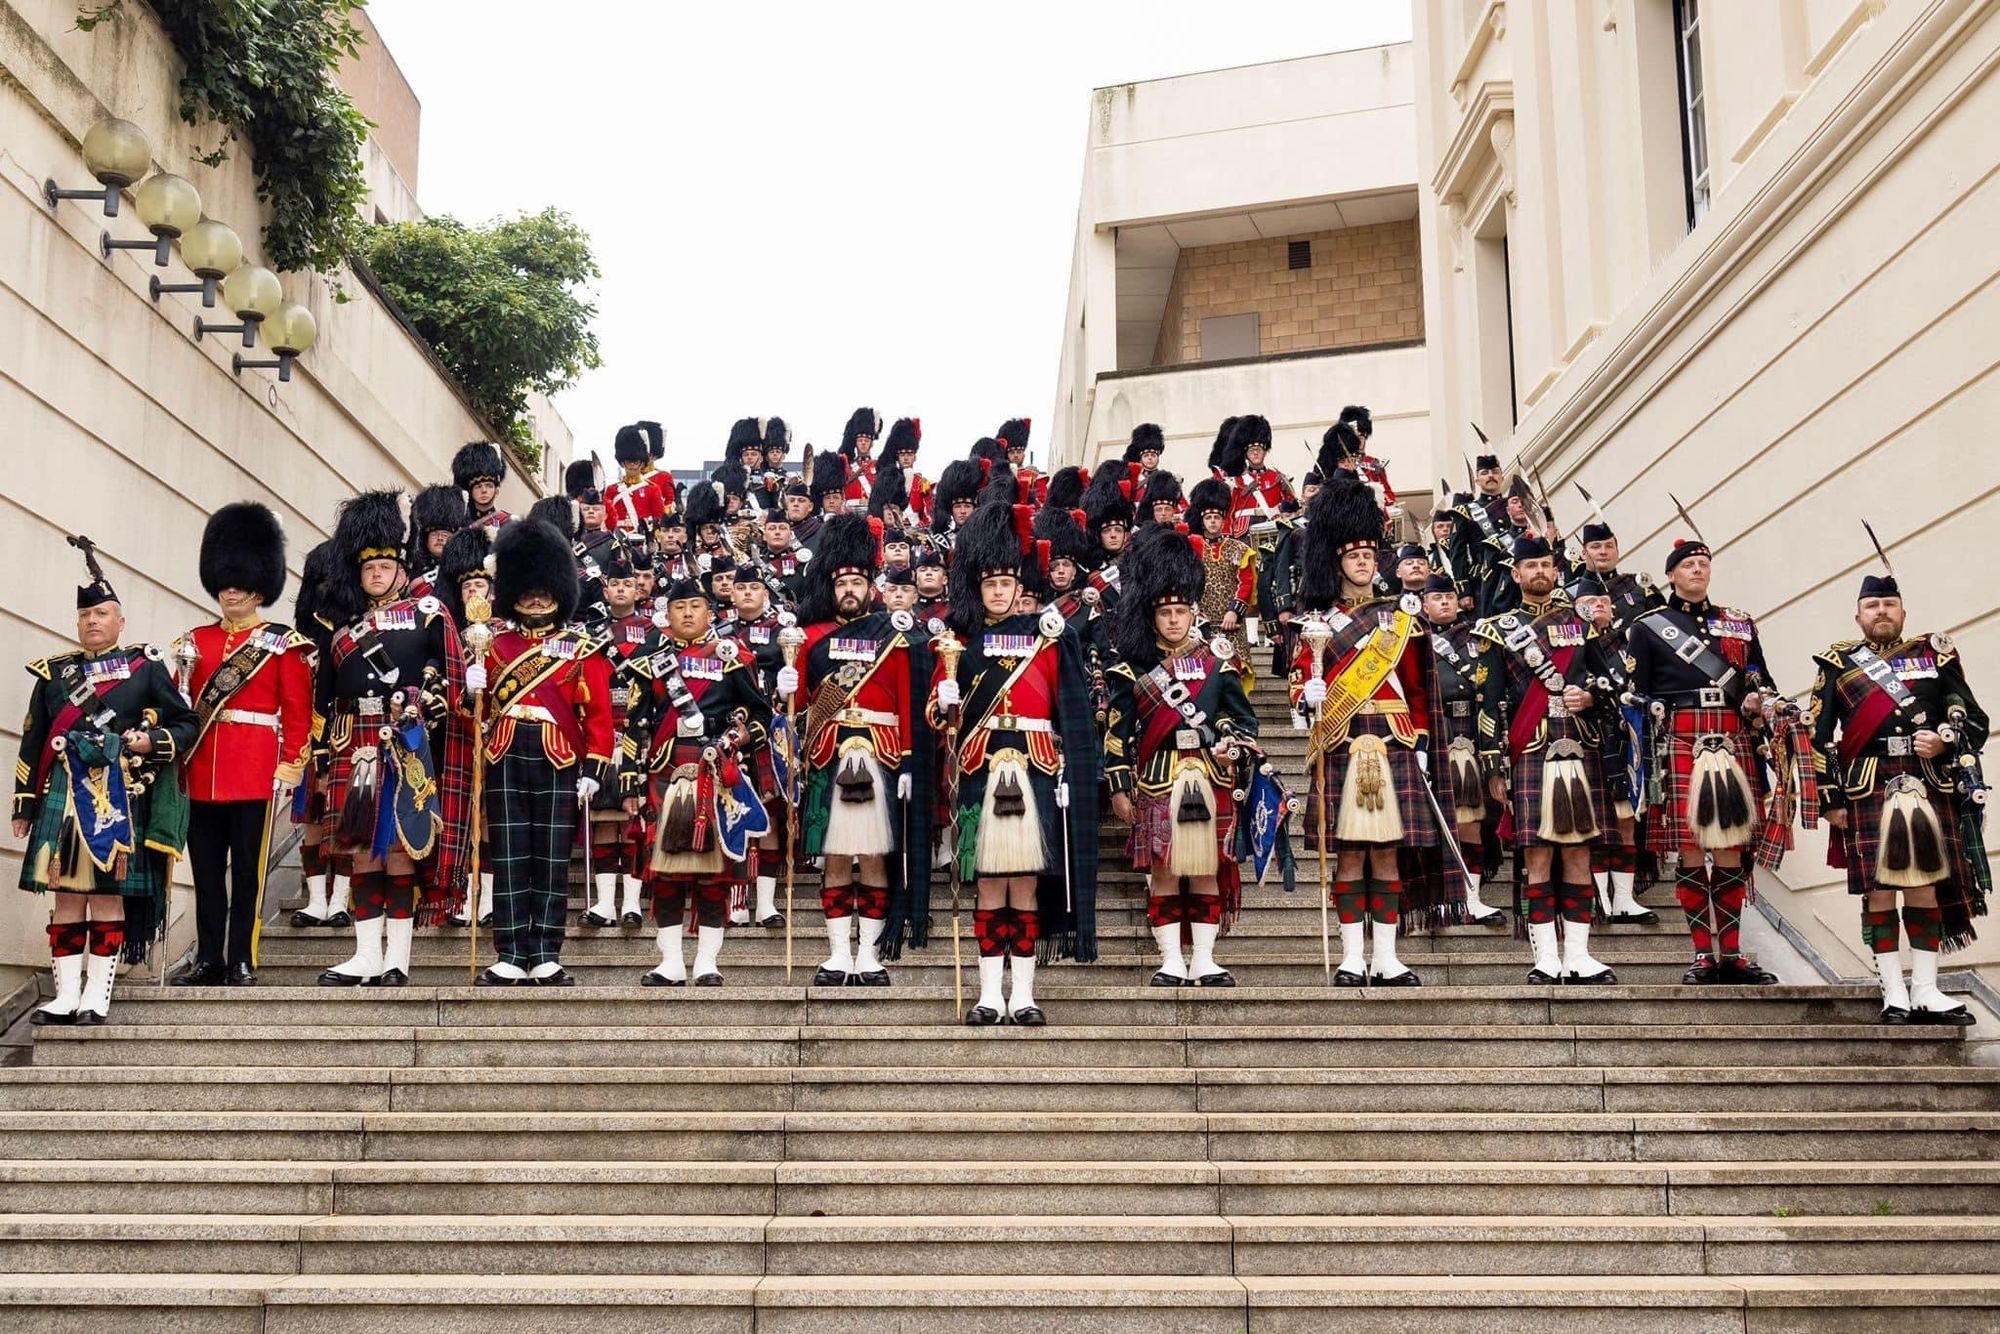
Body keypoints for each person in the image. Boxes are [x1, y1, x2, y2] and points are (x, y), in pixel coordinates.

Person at [1289, 474, 1462, 986]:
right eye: (1354, 556)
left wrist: (1427, 743)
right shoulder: (1316, 623)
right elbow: (1299, 686)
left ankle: (1386, 958)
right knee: (1348, 852)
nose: (1364, 563)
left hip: (1394, 739)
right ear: (1336, 562)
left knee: (1387, 851)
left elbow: (1419, 685)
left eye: (1369, 556)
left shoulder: (1400, 618)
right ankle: (1350, 957)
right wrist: (1307, 699)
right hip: (1341, 739)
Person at [17, 537, 196, 1025]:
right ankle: (65, 995)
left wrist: (147, 741)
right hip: (62, 795)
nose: (93, 621)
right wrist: (24, 805)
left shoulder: (145, 669)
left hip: (116, 798)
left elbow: (186, 724)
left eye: (103, 614)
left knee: (106, 894)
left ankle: (98, 994)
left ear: (121, 621)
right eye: (85, 616)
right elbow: (33, 742)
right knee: (66, 894)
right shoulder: (54, 674)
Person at [932, 504, 1098, 1024]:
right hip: (981, 767)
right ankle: (987, 994)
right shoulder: (960, 645)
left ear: (1018, 584)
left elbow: (1070, 708)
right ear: (977, 590)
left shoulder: (1049, 638)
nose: (999, 592)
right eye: (990, 585)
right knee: (987, 881)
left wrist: (1075, 770)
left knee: (1025, 882)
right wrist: (943, 702)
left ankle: (1022, 994)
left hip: (1037, 766)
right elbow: (941, 722)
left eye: (1007, 582)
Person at [1810, 573, 1984, 1024]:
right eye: (1873, 606)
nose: (1881, 611)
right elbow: (1817, 734)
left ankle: (1926, 988)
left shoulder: (1934, 655)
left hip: (1927, 781)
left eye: (1889, 603)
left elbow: (1976, 720)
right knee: (1879, 890)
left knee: (1925, 884)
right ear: (1859, 615)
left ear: (1903, 612)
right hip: (1867, 784)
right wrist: (1829, 798)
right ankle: (1894, 991)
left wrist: (1945, 743)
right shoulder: (1838, 664)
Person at [314, 491, 470, 987]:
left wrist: (424, 709)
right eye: (369, 568)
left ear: (402, 568)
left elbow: (452, 677)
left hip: (409, 742)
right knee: (364, 850)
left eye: (385, 565)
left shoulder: (430, 612)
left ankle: (398, 958)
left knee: (403, 850)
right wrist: (320, 758)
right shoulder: (343, 633)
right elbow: (326, 700)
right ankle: (365, 955)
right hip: (354, 743)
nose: (377, 574)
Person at [781, 513, 934, 985]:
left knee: (872, 855)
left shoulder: (895, 636)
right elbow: (799, 706)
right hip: (828, 750)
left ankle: (868, 953)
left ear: (872, 586)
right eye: (842, 581)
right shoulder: (808, 638)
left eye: (857, 581)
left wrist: (910, 757)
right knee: (832, 856)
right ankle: (836, 954)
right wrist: (785, 686)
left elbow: (911, 703)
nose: (850, 588)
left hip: (883, 752)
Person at [1104, 524, 1258, 988]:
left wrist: (1231, 741)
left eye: (1181, 611)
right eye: (1166, 612)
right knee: (1166, 870)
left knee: (1208, 868)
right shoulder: (1131, 668)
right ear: (1152, 616)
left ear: (1194, 613)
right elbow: (1116, 733)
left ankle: (1206, 960)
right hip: (1155, 776)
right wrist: (1117, 786)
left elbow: (1241, 718)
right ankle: (1171, 960)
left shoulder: (1218, 661)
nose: (1173, 619)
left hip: (1211, 775)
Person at [1622, 537, 1780, 985]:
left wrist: (1756, 699)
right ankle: (1701, 957)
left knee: (1729, 847)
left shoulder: (1739, 623)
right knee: (1692, 847)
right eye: (1688, 565)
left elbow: (1762, 678)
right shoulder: (1649, 626)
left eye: (1703, 564)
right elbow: (1636, 690)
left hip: (1732, 737)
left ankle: (1730, 954)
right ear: (1671, 575)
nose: (1697, 571)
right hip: (1681, 737)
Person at [462, 518, 613, 986]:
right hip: (505, 753)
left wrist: (594, 767)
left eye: (543, 589)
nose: (535, 598)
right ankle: (509, 950)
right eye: (526, 590)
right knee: (508, 855)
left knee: (549, 858)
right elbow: (473, 714)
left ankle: (546, 949)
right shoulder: (491, 645)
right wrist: (470, 691)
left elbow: (601, 717)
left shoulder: (581, 650)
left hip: (558, 757)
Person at [172, 503, 313, 987]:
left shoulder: (283, 645)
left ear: (260, 585)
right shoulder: (194, 641)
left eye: (241, 582)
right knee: (207, 874)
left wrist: (290, 766)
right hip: (201, 770)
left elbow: (297, 713)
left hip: (255, 771)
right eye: (225, 582)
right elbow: (180, 707)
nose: (231, 591)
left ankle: (242, 958)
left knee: (248, 877)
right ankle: (210, 958)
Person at [1473, 537, 1620, 983]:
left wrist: (1590, 695)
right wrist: (1494, 764)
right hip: (1529, 749)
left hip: (1578, 745)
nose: (1539, 571)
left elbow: (1613, 680)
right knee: (1536, 856)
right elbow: (1488, 699)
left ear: (1556, 570)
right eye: (1529, 565)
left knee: (1578, 852)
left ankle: (1578, 956)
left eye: (1545, 564)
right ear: (1516, 575)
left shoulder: (1583, 623)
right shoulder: (1496, 629)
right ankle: (1545, 958)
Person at [628, 577, 770, 984]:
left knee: (715, 876)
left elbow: (759, 717)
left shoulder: (734, 657)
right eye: (679, 607)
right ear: (666, 615)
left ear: (710, 612)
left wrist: (736, 737)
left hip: (715, 773)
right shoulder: (648, 660)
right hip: (665, 772)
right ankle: (670, 962)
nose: (687, 614)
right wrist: (629, 786)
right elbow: (636, 727)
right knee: (667, 874)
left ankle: (707, 961)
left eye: (695, 606)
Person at [579, 546, 654, 931]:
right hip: (601, 731)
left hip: (639, 734)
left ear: (639, 588)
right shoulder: (589, 633)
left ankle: (632, 903)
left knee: (634, 818)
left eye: (629, 583)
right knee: (604, 819)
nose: (623, 589)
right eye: (615, 584)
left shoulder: (656, 632)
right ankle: (605, 903)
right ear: (605, 589)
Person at [1423, 572, 1503, 925]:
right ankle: (1441, 897)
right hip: (1437, 733)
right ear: (1424, 604)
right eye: (1437, 599)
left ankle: (1472, 896)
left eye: (1449, 598)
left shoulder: (1477, 638)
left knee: (1471, 820)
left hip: (1471, 733)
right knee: (1437, 822)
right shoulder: (1415, 639)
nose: (1444, 603)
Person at [436, 524, 501, 929]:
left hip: (499, 735)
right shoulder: (445, 634)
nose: (474, 593)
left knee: (492, 818)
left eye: (480, 586)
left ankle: (490, 896)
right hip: (457, 735)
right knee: (462, 816)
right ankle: (459, 894)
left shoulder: (508, 634)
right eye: (467, 588)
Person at [287, 540, 350, 930]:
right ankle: (315, 898)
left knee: (345, 821)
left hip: (343, 731)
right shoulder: (302, 638)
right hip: (306, 739)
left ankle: (341, 898)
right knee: (311, 819)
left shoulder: (349, 631)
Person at [605, 422, 671, 533]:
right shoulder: (612, 490)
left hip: (642, 539)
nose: (632, 465)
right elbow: (606, 518)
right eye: (628, 461)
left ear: (642, 463)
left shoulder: (653, 489)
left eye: (635, 461)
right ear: (622, 463)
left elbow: (658, 519)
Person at [405, 484, 467, 600]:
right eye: (434, 534)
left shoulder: (462, 570)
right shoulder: (411, 569)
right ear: (425, 538)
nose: (440, 538)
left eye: (445, 535)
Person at [453, 441, 512, 529]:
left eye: (489, 486)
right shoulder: (459, 523)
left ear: (496, 490)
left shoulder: (507, 522)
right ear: (470, 491)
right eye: (478, 486)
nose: (484, 490)